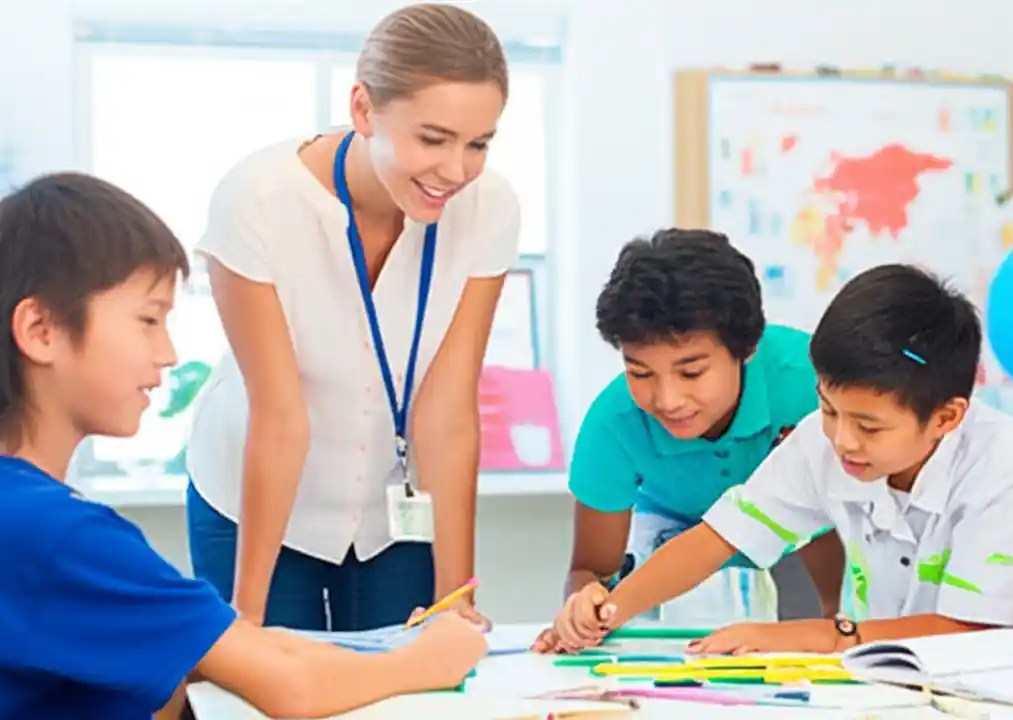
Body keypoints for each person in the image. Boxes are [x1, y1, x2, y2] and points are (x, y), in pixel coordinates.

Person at [0, 173, 486, 719]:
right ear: (40, 330)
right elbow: (290, 688)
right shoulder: (57, 533)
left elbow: (224, 648)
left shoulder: (27, 514)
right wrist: (433, 658)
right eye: (147, 320)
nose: (168, 354)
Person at [185, 3, 519, 631]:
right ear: (364, 109)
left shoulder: (489, 207)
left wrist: (456, 600)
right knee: (268, 688)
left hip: (389, 509)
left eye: (478, 143)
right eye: (433, 138)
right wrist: (246, 622)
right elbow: (279, 416)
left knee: (409, 685)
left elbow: (447, 412)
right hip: (254, 501)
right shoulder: (259, 198)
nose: (456, 171)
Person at [537, 264, 1013, 654]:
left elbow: (973, 633)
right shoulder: (819, 440)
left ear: (945, 417)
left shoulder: (1006, 464)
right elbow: (717, 539)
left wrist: (818, 635)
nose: (843, 440)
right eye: (828, 409)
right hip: (872, 680)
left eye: (868, 425)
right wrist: (607, 611)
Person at [545, 229, 844, 649]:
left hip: (805, 541)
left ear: (748, 348)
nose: (667, 400)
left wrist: (840, 624)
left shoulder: (815, 384)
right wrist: (583, 605)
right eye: (640, 373)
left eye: (691, 373)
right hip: (671, 538)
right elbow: (592, 571)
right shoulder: (613, 422)